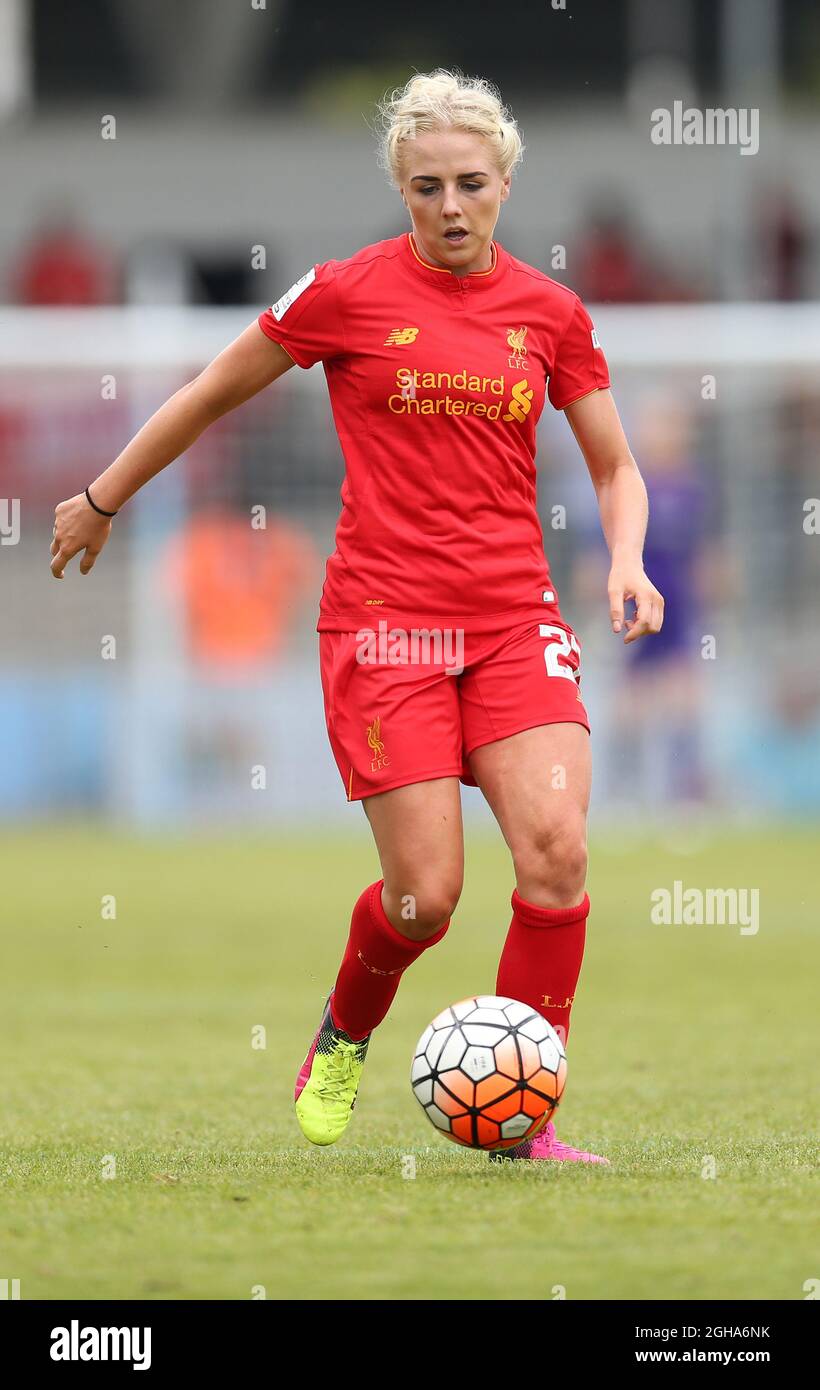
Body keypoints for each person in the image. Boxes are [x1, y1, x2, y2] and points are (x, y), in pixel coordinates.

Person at [51, 69, 664, 1165]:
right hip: (386, 627)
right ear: (401, 186)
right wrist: (103, 498)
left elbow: (615, 464)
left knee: (558, 852)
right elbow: (205, 393)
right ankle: (346, 1029)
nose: (449, 205)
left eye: (471, 184)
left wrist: (624, 557)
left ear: (506, 184)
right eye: (426, 186)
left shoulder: (550, 312)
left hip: (513, 617)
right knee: (426, 896)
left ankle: (526, 1118)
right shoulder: (344, 294)